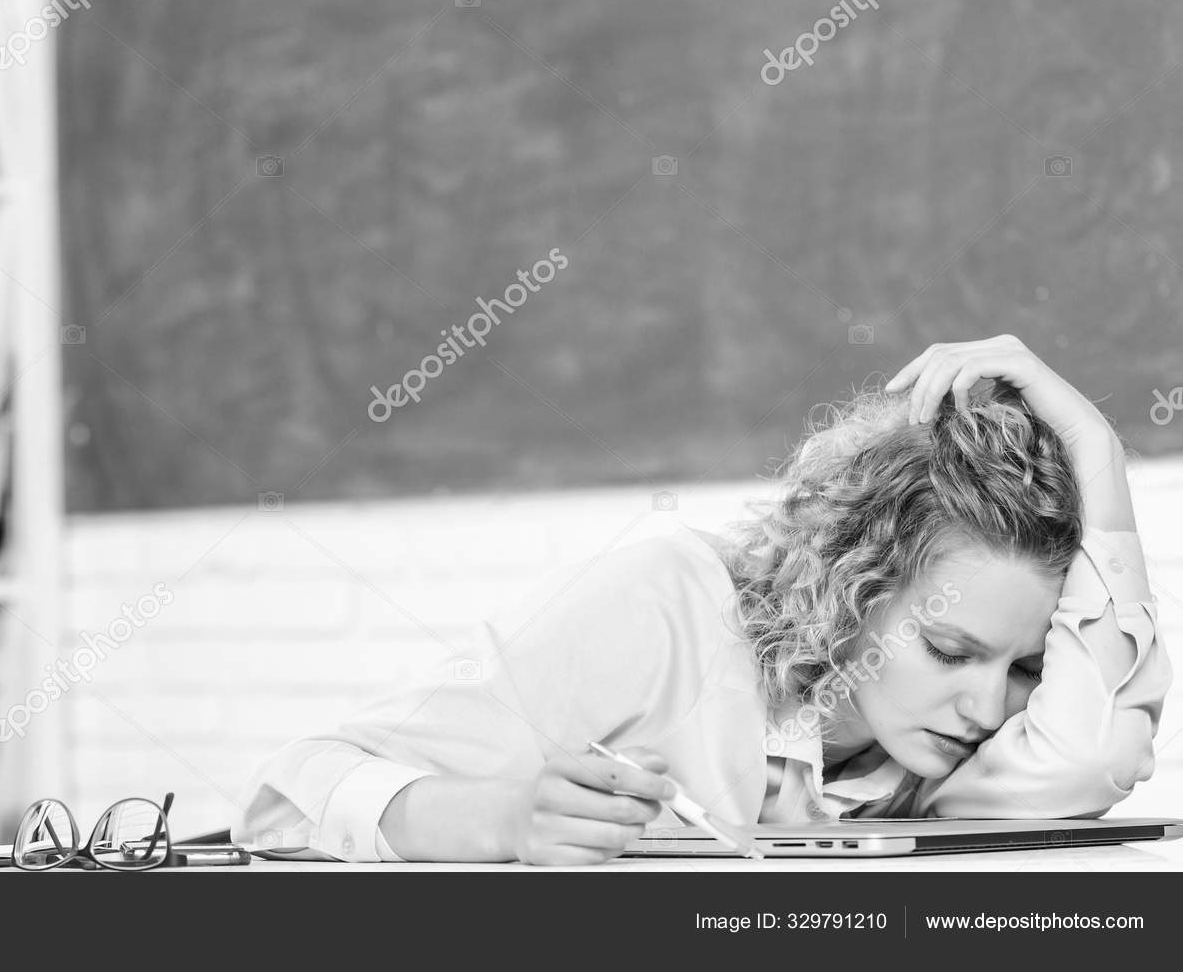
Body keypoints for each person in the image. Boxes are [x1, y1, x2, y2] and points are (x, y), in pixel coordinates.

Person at [231, 336, 1171, 864]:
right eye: (951, 651)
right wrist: (504, 819)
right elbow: (286, 800)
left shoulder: (932, 764)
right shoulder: (667, 611)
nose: (988, 707)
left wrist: (1095, 449)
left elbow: (1098, 757)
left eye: (1026, 668)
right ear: (855, 580)